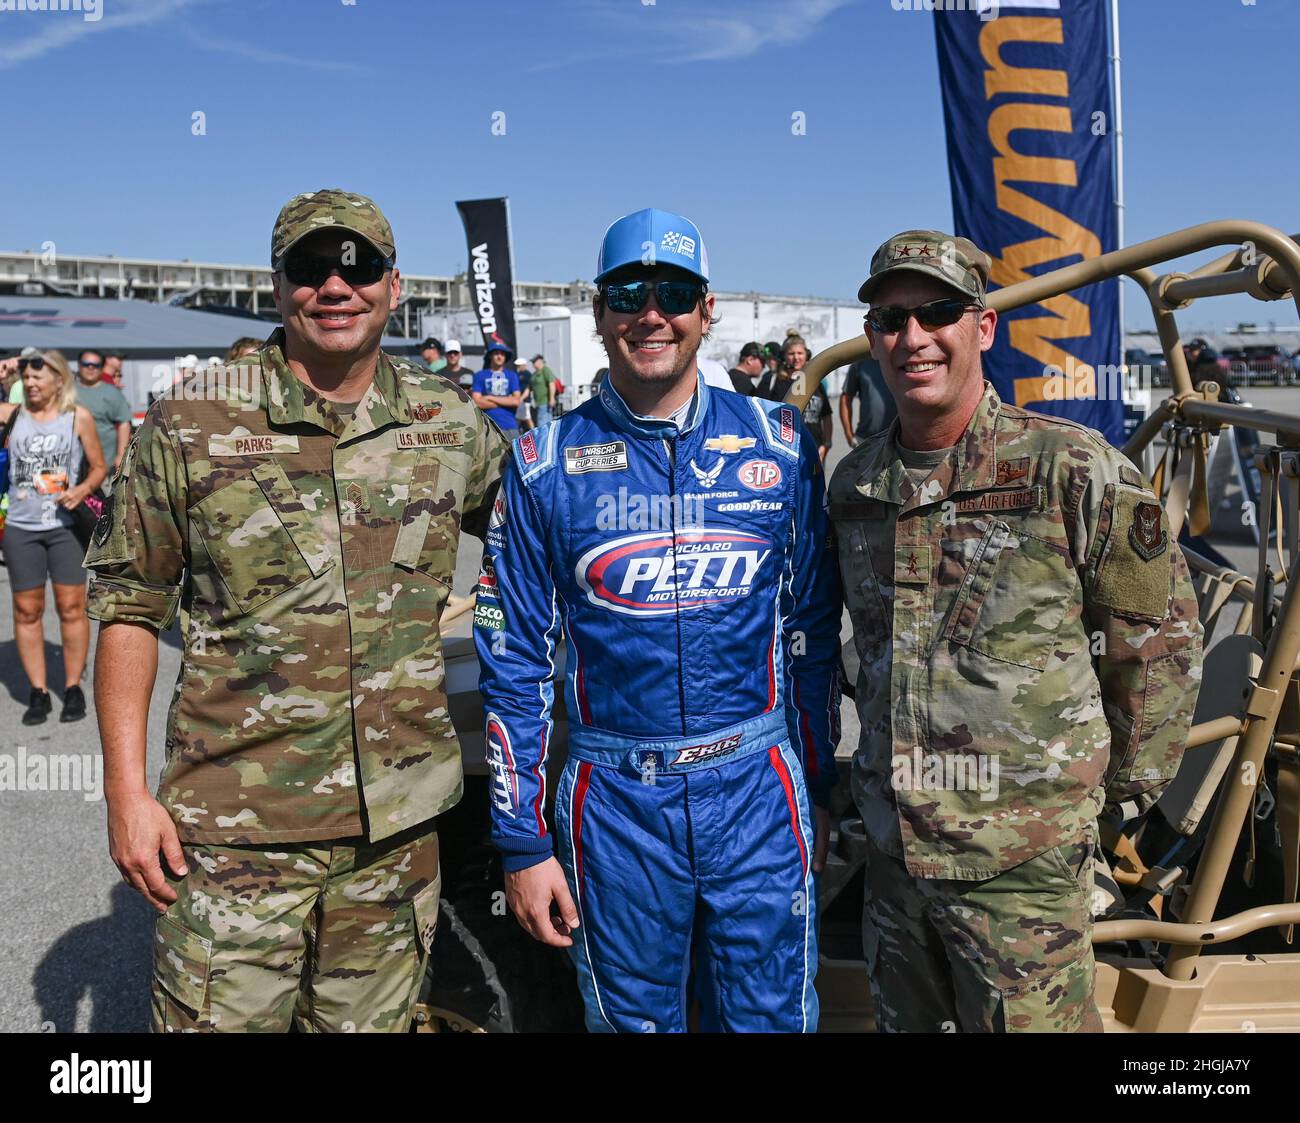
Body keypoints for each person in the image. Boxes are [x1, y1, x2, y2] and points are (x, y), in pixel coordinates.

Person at [85, 188, 508, 1033]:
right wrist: (125, 792)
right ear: (278, 289)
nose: (335, 287)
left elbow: (539, 533)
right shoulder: (192, 421)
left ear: (394, 287)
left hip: (392, 842)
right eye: (310, 269)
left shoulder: (448, 420)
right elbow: (129, 604)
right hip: (236, 838)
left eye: (359, 268)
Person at [475, 206, 840, 1033]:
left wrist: (815, 786)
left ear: (707, 310)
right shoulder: (542, 464)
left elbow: (813, 632)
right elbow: (514, 667)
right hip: (616, 803)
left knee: (773, 1020)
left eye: (674, 292)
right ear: (600, 312)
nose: (652, 313)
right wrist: (523, 845)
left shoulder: (781, 448)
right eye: (628, 292)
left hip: (758, 791)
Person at [828, 229, 1203, 1033]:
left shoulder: (1069, 469)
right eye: (892, 320)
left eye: (937, 313)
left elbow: (1158, 646)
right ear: (873, 339)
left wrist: (1108, 807)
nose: (914, 338)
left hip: (1021, 871)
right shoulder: (858, 485)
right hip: (896, 862)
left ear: (983, 326)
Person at [0, 350, 107, 725]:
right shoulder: (12, 414)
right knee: (27, 611)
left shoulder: (77, 417)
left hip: (65, 528)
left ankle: (73, 686)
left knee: (71, 608)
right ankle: (38, 692)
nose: (30, 384)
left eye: (37, 378)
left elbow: (98, 467)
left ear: (58, 380)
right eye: (26, 379)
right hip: (21, 528)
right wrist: (5, 371)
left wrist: (82, 490)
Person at [74, 349, 132, 479]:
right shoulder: (68, 391)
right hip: (74, 464)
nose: (90, 368)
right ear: (79, 365)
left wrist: (121, 455)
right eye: (86, 364)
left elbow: (124, 423)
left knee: (105, 499)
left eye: (95, 365)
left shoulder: (112, 393)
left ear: (102, 367)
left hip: (105, 465)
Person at [839, 355, 897, 448]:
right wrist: (849, 435)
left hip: (899, 441)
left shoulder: (900, 359)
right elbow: (846, 398)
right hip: (866, 441)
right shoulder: (859, 363)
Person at [471, 339, 522, 438]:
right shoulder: (480, 375)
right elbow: (476, 402)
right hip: (488, 426)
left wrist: (490, 397)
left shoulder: (512, 376)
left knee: (513, 453)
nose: (499, 356)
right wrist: (505, 402)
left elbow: (516, 401)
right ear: (490, 355)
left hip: (510, 425)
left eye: (502, 354)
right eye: (496, 353)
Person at [529, 354, 557, 426]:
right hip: (538, 403)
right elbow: (529, 387)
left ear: (539, 361)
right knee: (545, 424)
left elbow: (551, 384)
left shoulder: (545, 370)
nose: (532, 364)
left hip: (545, 402)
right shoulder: (535, 374)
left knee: (542, 424)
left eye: (533, 362)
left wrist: (552, 398)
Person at [513, 356, 534, 431]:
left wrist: (521, 398)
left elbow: (528, 388)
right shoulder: (516, 374)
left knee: (527, 418)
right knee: (518, 418)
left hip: (525, 401)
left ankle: (534, 433)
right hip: (518, 400)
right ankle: (516, 432)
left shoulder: (527, 374)